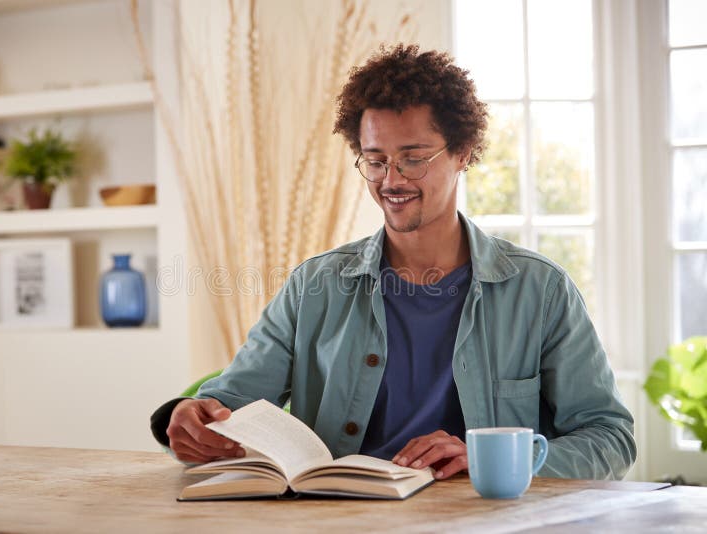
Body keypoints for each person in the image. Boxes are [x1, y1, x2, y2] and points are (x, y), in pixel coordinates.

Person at [150, 44, 636, 480]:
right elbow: (231, 402)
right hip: (339, 517)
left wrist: (497, 457)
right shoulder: (313, 285)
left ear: (462, 152)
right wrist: (194, 418)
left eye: (413, 157)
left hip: (482, 520)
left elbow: (611, 438)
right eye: (375, 159)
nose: (391, 180)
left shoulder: (540, 290)